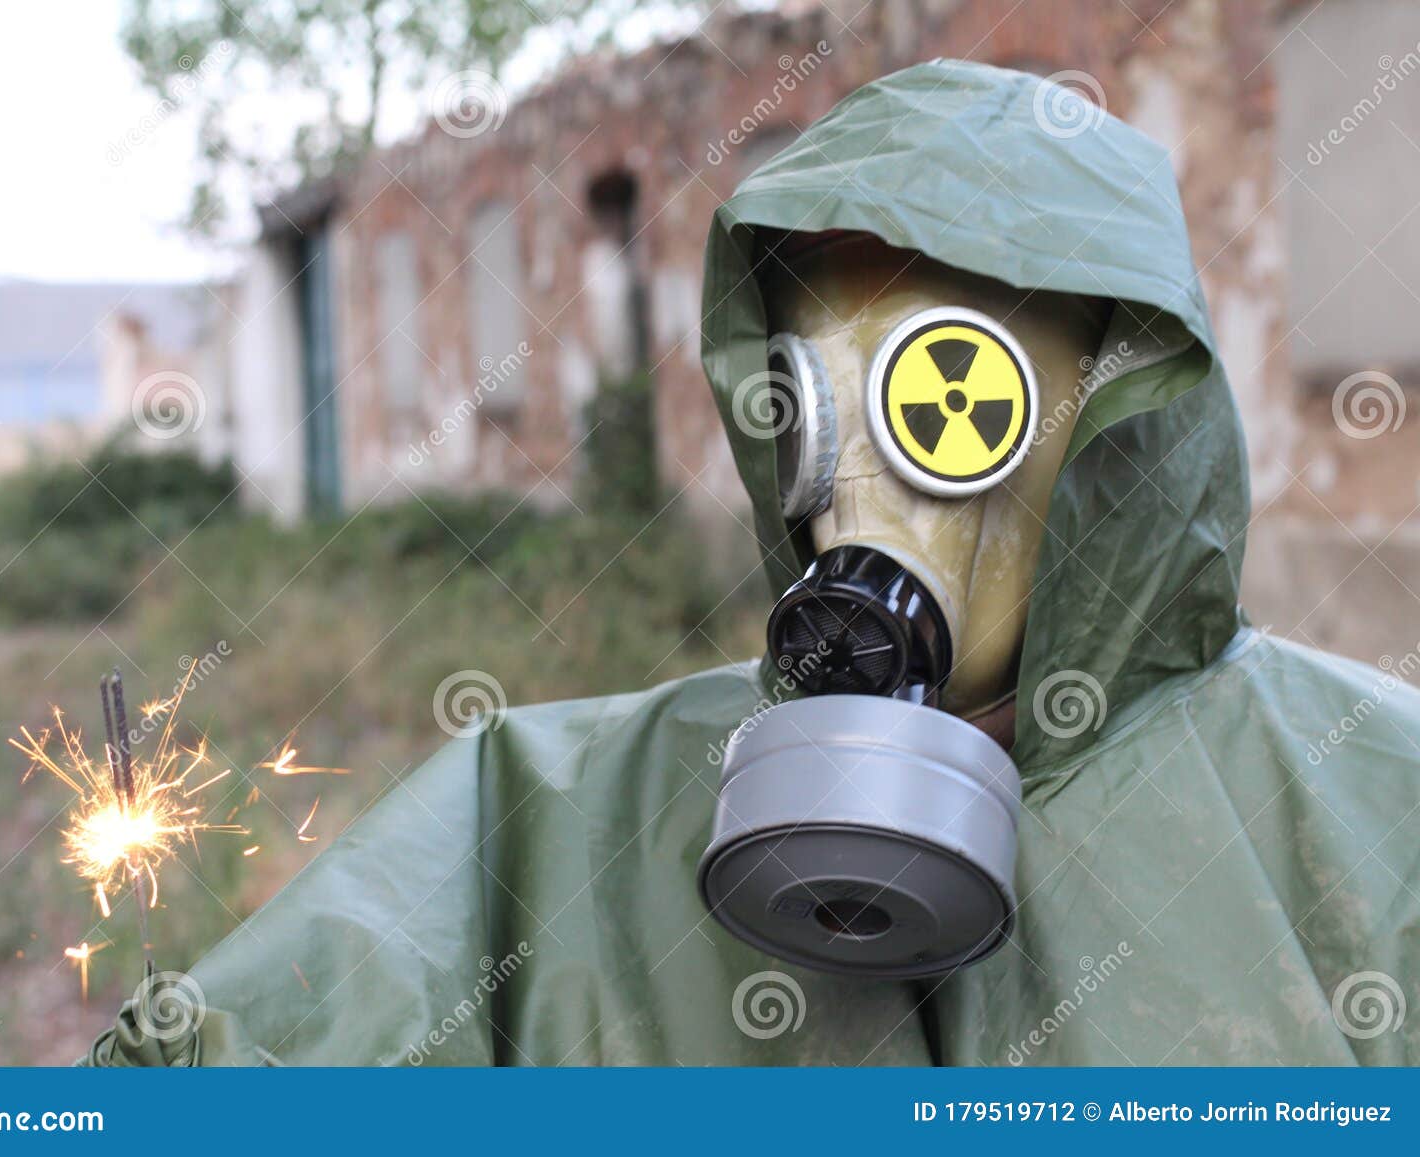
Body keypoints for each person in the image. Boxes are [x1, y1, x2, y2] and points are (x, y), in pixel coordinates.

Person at [87, 60, 1420, 1067]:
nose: (861, 498)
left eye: (949, 403)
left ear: (1124, 425)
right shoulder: (558, 828)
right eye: (812, 412)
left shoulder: (1376, 813)